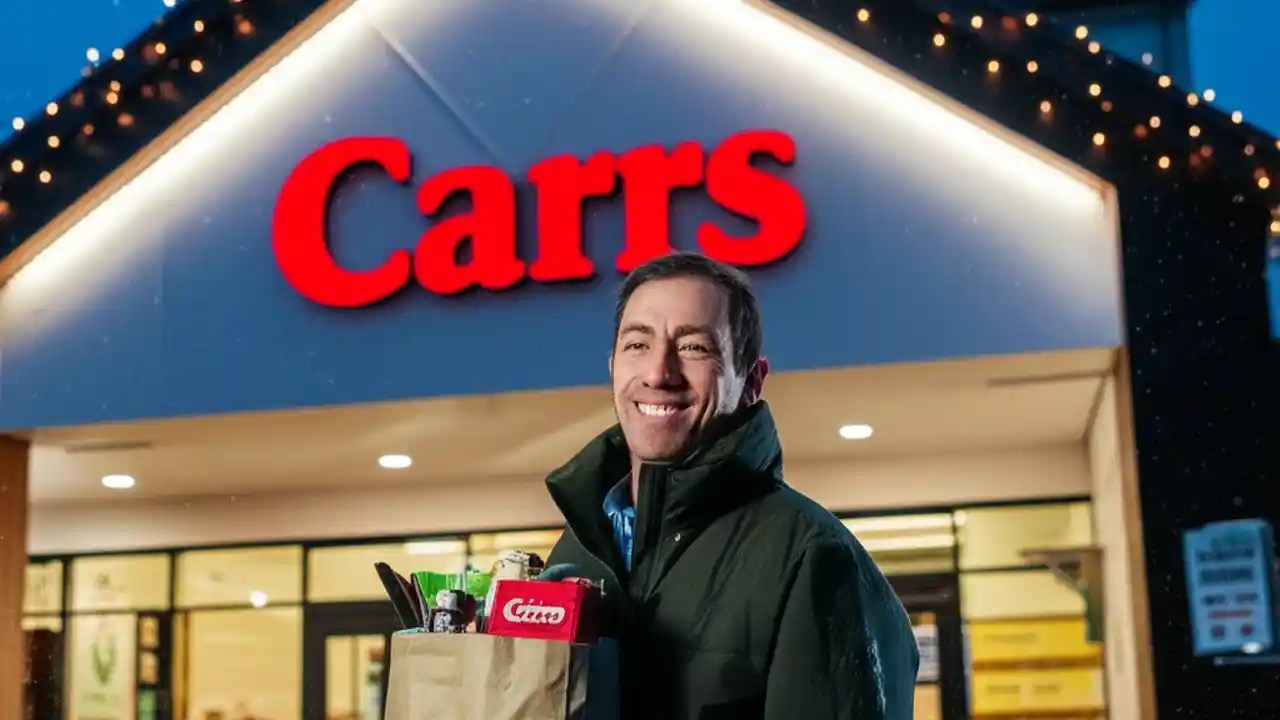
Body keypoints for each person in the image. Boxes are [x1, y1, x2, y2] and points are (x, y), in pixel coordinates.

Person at [544, 252, 920, 719]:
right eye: (637, 345)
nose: (659, 373)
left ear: (751, 381)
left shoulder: (810, 557)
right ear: (612, 366)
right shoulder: (578, 549)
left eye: (694, 348)